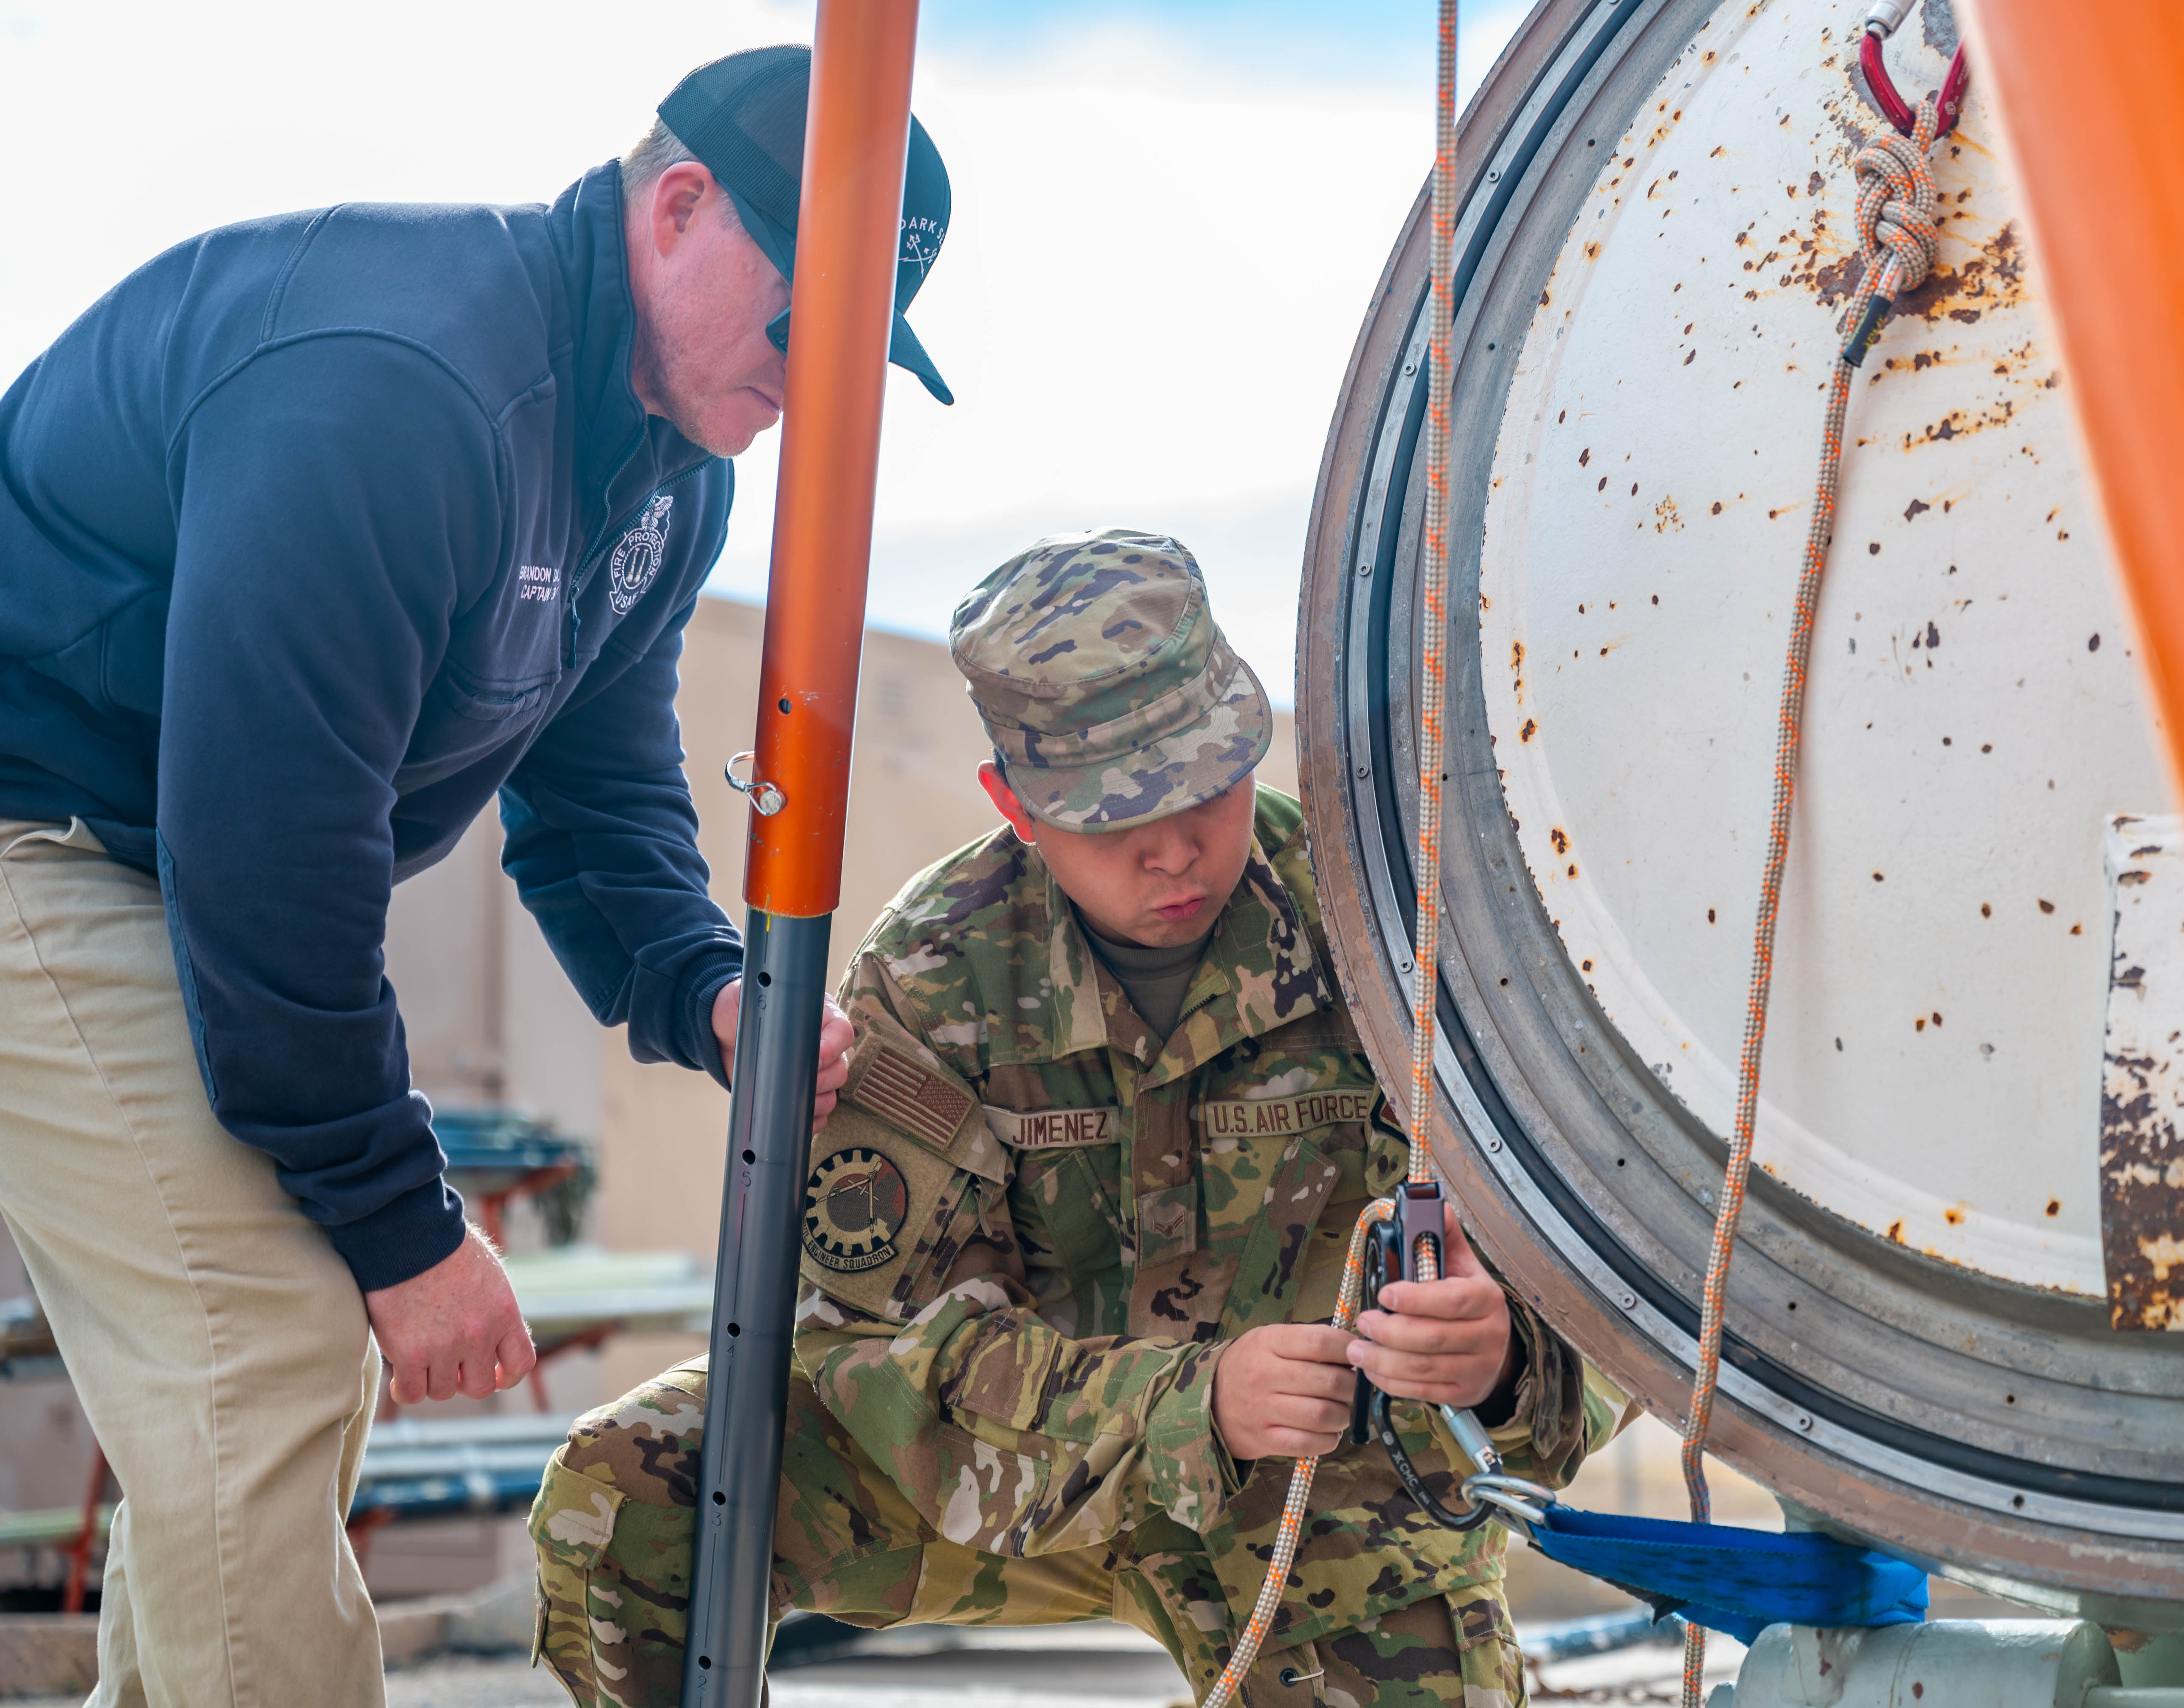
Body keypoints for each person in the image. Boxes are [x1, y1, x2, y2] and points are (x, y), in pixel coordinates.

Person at [0, 45, 947, 1705]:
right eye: (808, 327)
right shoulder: (399, 391)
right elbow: (273, 849)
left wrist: (703, 986)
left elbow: (598, 784)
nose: (818, 385)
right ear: (679, 209)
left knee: (261, 1369)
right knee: (262, 1345)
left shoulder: (666, 472)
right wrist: (406, 1225)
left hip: (163, 853)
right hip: (40, 821)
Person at [528, 529, 1632, 1708]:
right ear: (1014, 804)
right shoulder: (936, 973)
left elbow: (1617, 1270)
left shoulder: (1392, 925)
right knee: (636, 1494)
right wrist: (1186, 1405)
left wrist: (1505, 1358)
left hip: (1320, 1484)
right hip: (1013, 1476)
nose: (1174, 851)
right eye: (1114, 818)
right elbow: (875, 1351)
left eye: (1202, 789)